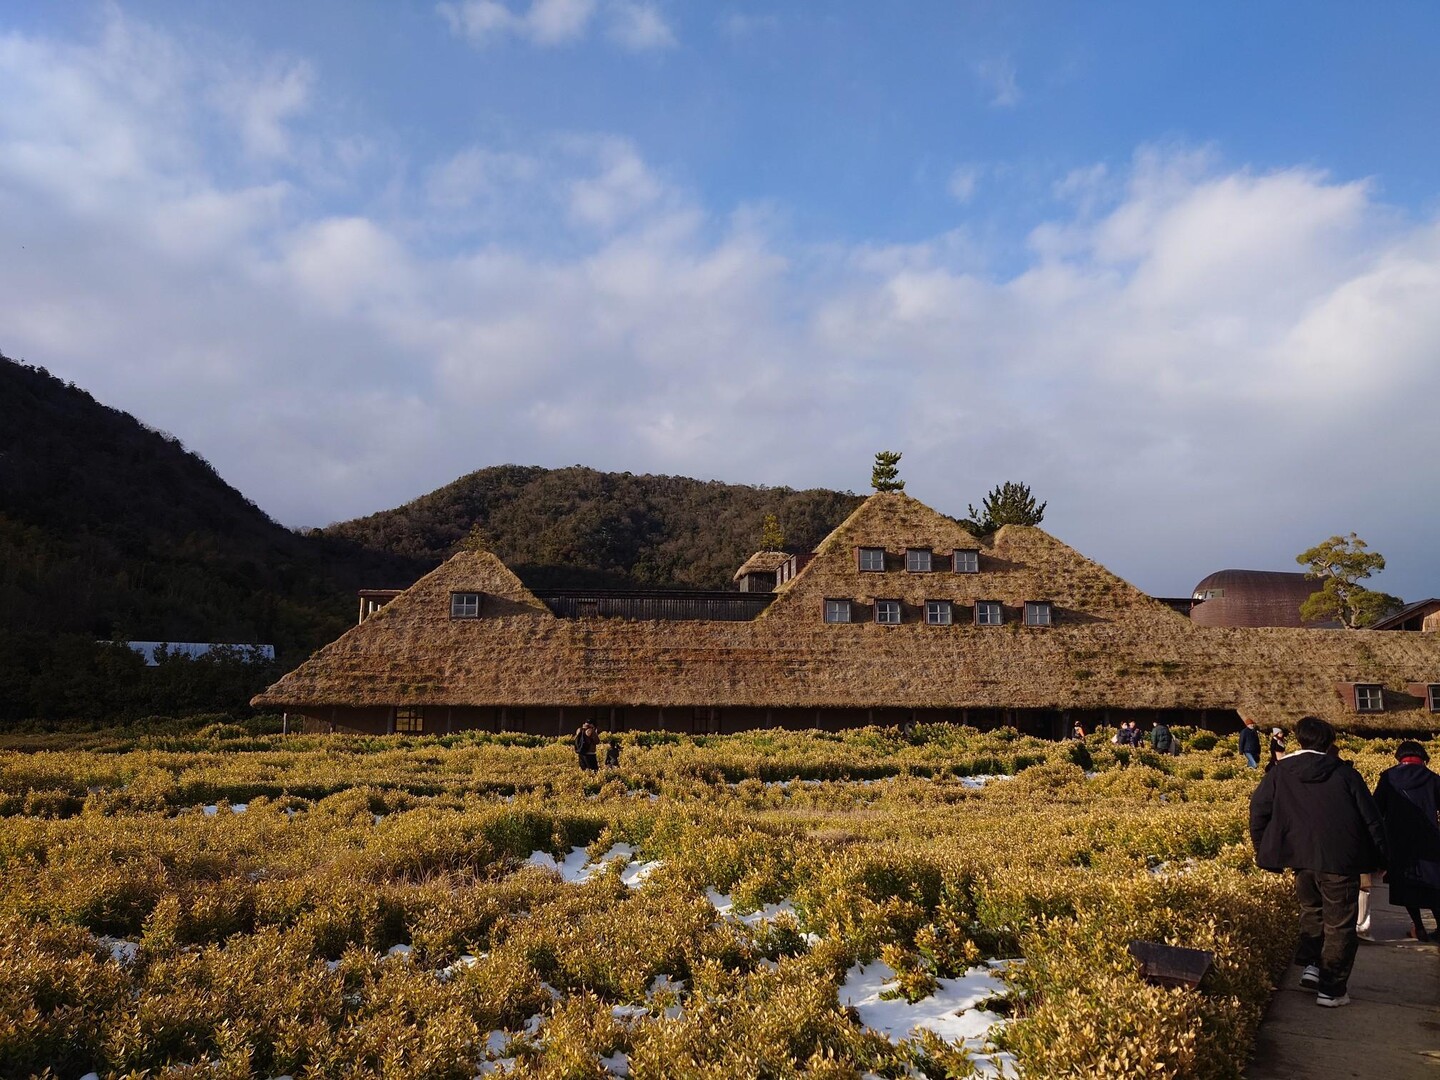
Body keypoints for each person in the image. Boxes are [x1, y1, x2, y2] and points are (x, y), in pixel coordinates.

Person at [1250, 716, 1386, 1008]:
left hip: (1300, 858)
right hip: (1340, 859)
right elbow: (1371, 819)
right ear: (1329, 741)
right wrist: (1381, 857)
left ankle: (1312, 965)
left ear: (1299, 739)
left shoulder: (1280, 771)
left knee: (1311, 911)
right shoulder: (1345, 773)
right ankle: (1332, 989)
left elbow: (1258, 809)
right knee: (1339, 925)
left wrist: (1264, 849)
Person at [1372, 740, 1440, 942]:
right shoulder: (1432, 778)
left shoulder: (1388, 777)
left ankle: (1418, 927)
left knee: (1407, 884)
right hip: (1429, 841)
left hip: (1398, 841)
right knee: (1434, 884)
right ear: (1423, 758)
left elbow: (1376, 808)